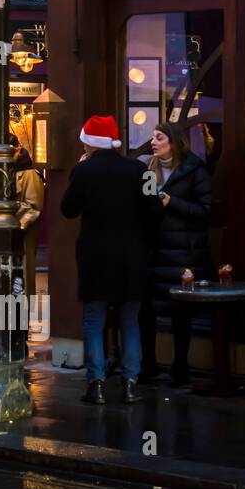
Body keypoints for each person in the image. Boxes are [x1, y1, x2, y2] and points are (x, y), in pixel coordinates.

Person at [60, 115, 163, 405]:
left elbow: (68, 209)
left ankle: (97, 385)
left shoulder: (85, 171)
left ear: (90, 144)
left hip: (96, 256)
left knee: (94, 320)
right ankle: (130, 383)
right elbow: (155, 210)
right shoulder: (139, 170)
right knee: (130, 320)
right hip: (133, 256)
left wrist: (78, 172)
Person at [139, 122, 213, 384]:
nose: (153, 142)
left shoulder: (194, 170)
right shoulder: (149, 168)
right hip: (154, 251)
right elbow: (145, 205)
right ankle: (149, 365)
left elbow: (206, 211)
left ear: (174, 141)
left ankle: (180, 367)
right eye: (153, 138)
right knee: (145, 310)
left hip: (183, 254)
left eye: (159, 138)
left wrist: (173, 202)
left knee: (180, 313)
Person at [13, 144, 45, 297]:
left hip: (22, 231)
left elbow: (33, 205)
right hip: (12, 231)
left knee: (23, 268)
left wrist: (16, 223)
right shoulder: (11, 172)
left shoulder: (31, 175)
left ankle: (23, 304)